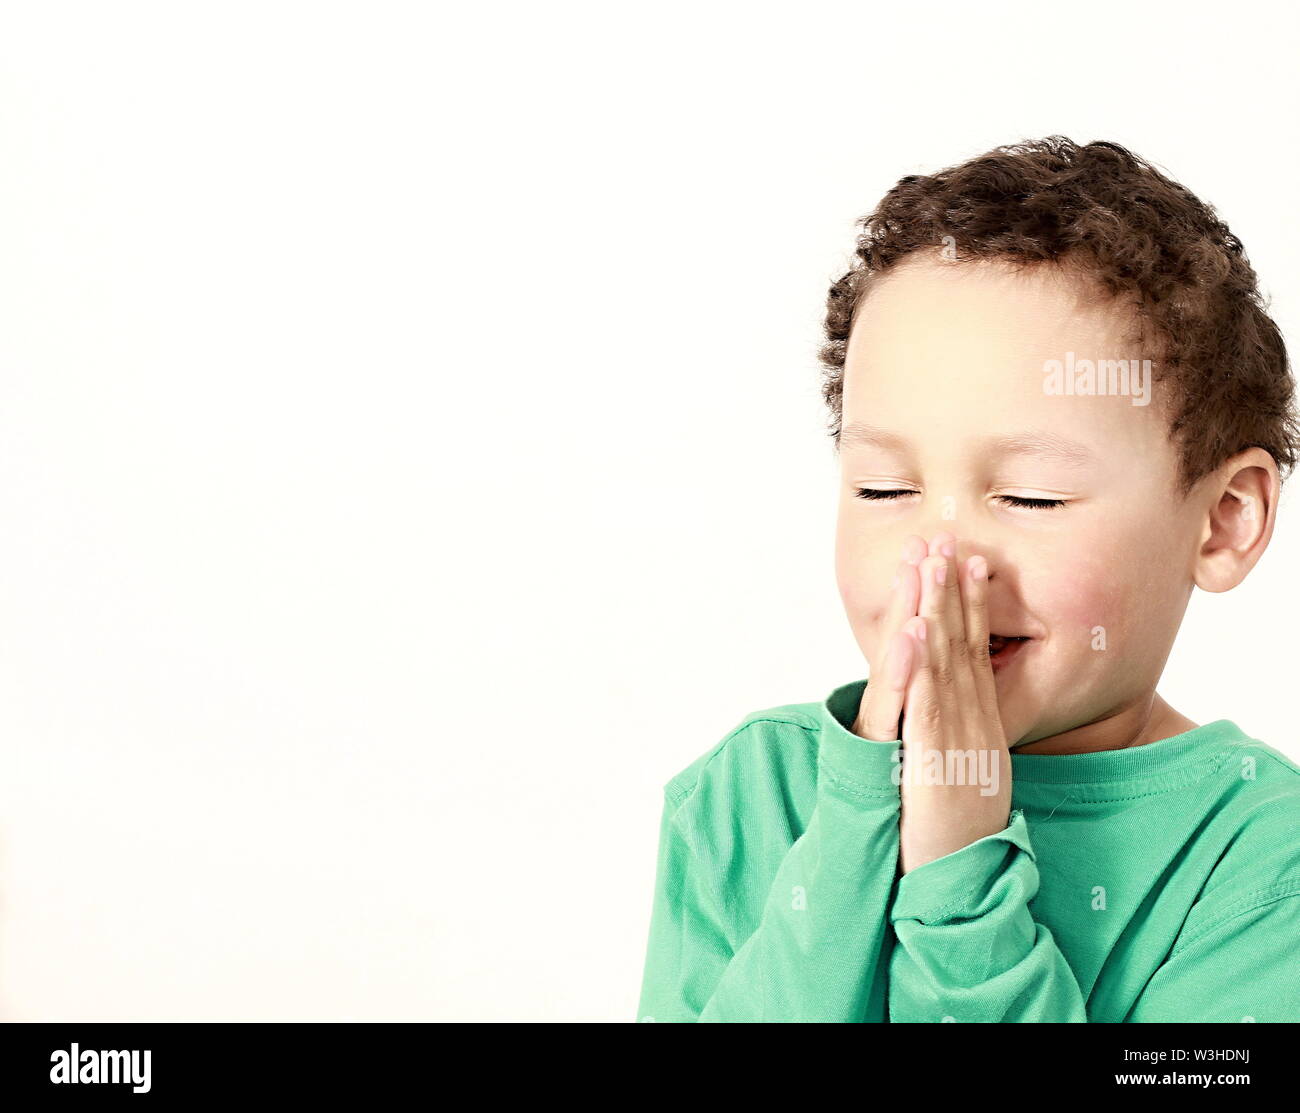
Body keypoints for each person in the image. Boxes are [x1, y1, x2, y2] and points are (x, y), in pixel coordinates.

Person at [635, 138, 1300, 1022]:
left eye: (1032, 495)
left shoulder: (1263, 861)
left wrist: (961, 873)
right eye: (885, 488)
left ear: (1222, 519)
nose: (941, 559)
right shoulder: (748, 796)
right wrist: (853, 824)